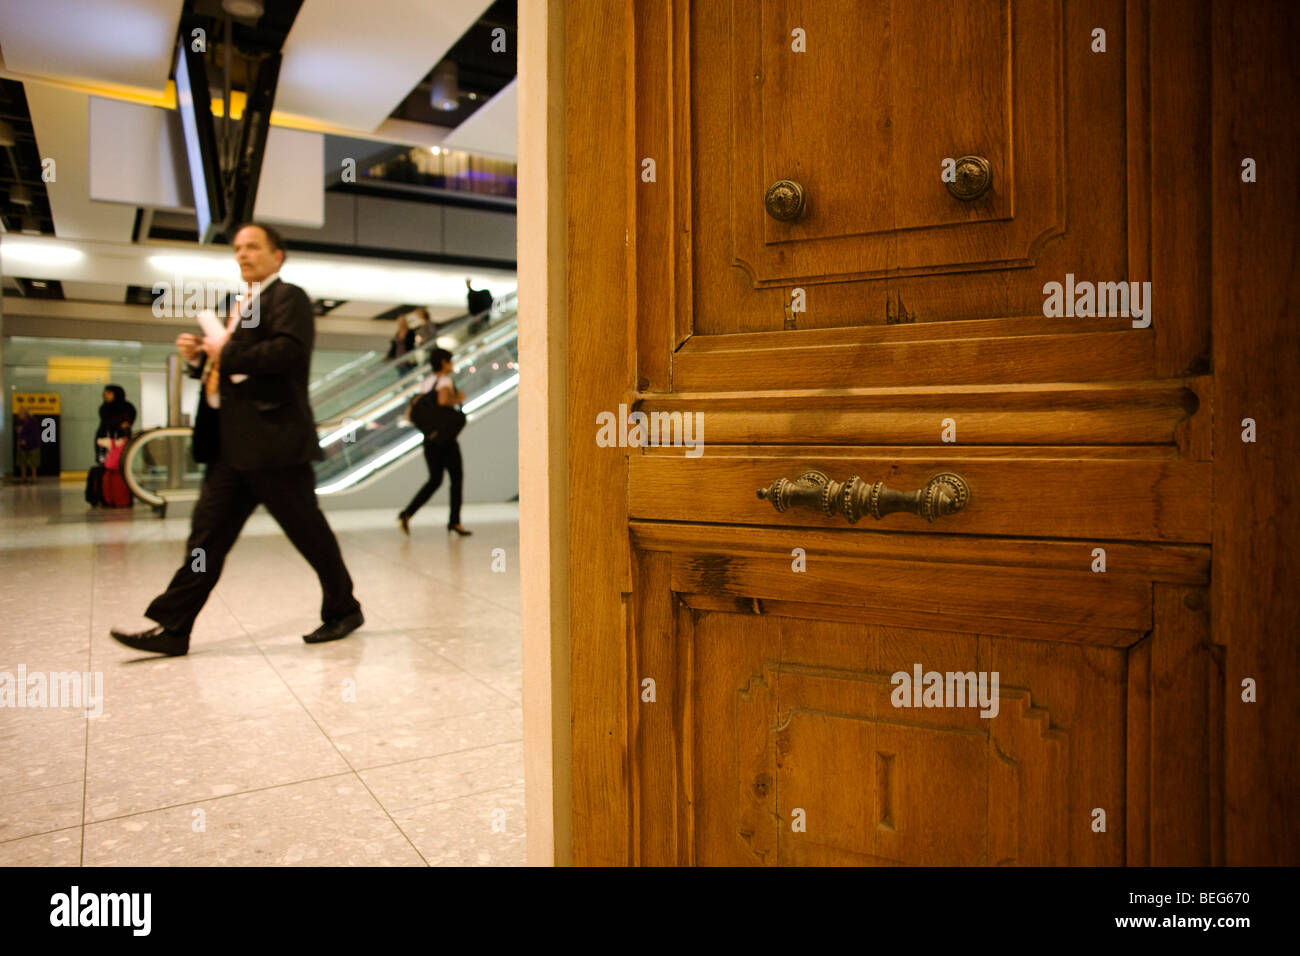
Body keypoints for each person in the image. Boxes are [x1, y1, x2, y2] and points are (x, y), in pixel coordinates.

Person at [110, 222, 363, 657]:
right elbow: (232, 370)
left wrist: (224, 351)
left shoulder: (289, 298)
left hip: (274, 444)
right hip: (230, 447)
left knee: (308, 532)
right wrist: (199, 360)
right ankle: (174, 626)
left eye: (252, 247)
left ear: (277, 256)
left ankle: (343, 607)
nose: (242, 254)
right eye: (238, 248)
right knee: (205, 540)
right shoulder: (239, 304)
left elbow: (289, 354)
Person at [397, 348, 471, 537]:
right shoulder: (445, 380)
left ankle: (407, 513)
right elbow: (443, 399)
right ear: (444, 363)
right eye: (450, 361)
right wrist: (459, 398)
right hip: (446, 440)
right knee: (456, 479)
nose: (452, 364)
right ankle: (455, 522)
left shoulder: (427, 382)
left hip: (430, 439)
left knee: (434, 480)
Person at [95, 385, 136, 464]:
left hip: (121, 439)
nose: (106, 396)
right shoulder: (104, 408)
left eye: (109, 393)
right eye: (105, 394)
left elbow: (127, 423)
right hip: (106, 439)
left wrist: (123, 426)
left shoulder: (127, 407)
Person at [15, 407, 41, 483]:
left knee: (33, 462)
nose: (18, 415)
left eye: (20, 413)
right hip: (23, 446)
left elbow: (34, 434)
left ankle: (33, 478)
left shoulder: (32, 421)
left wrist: (26, 440)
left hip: (32, 445)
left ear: (25, 414)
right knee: (22, 462)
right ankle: (23, 478)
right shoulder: (22, 422)